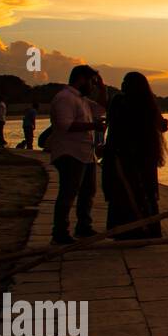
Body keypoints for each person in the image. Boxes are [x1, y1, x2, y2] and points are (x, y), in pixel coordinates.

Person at [102, 71, 168, 240]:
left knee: (133, 191)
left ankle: (133, 231)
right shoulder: (144, 103)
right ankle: (144, 230)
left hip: (131, 157)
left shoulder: (125, 102)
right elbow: (161, 126)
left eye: (125, 81)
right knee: (135, 192)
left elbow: (114, 127)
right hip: (132, 156)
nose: (122, 84)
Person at [49, 65, 106, 244]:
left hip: (85, 154)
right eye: (91, 82)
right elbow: (65, 124)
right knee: (68, 193)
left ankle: (83, 226)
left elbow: (102, 108)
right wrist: (93, 126)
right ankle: (60, 233)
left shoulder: (83, 100)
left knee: (88, 191)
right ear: (81, 79)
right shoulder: (65, 98)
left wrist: (102, 88)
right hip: (69, 153)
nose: (93, 86)